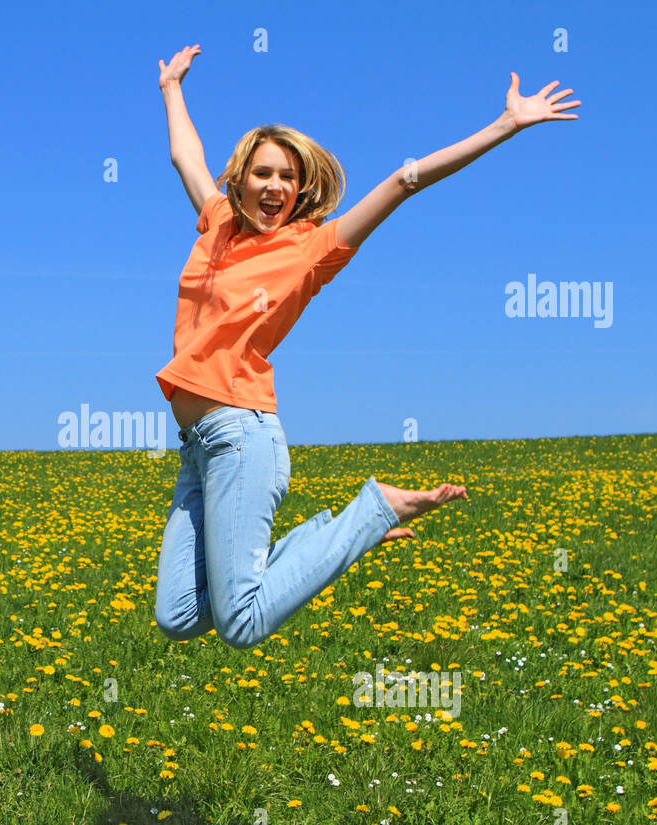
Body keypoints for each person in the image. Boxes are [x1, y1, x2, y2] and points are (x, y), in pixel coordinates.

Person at [152, 44, 580, 649]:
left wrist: (506, 125)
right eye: (264, 173)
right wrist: (171, 87)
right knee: (178, 615)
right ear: (240, 178)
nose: (275, 187)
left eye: (288, 178)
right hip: (197, 446)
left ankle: (373, 509)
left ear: (301, 190)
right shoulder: (217, 220)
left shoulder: (310, 249)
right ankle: (350, 534)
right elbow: (183, 155)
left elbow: (406, 182)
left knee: (240, 625)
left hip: (242, 436)